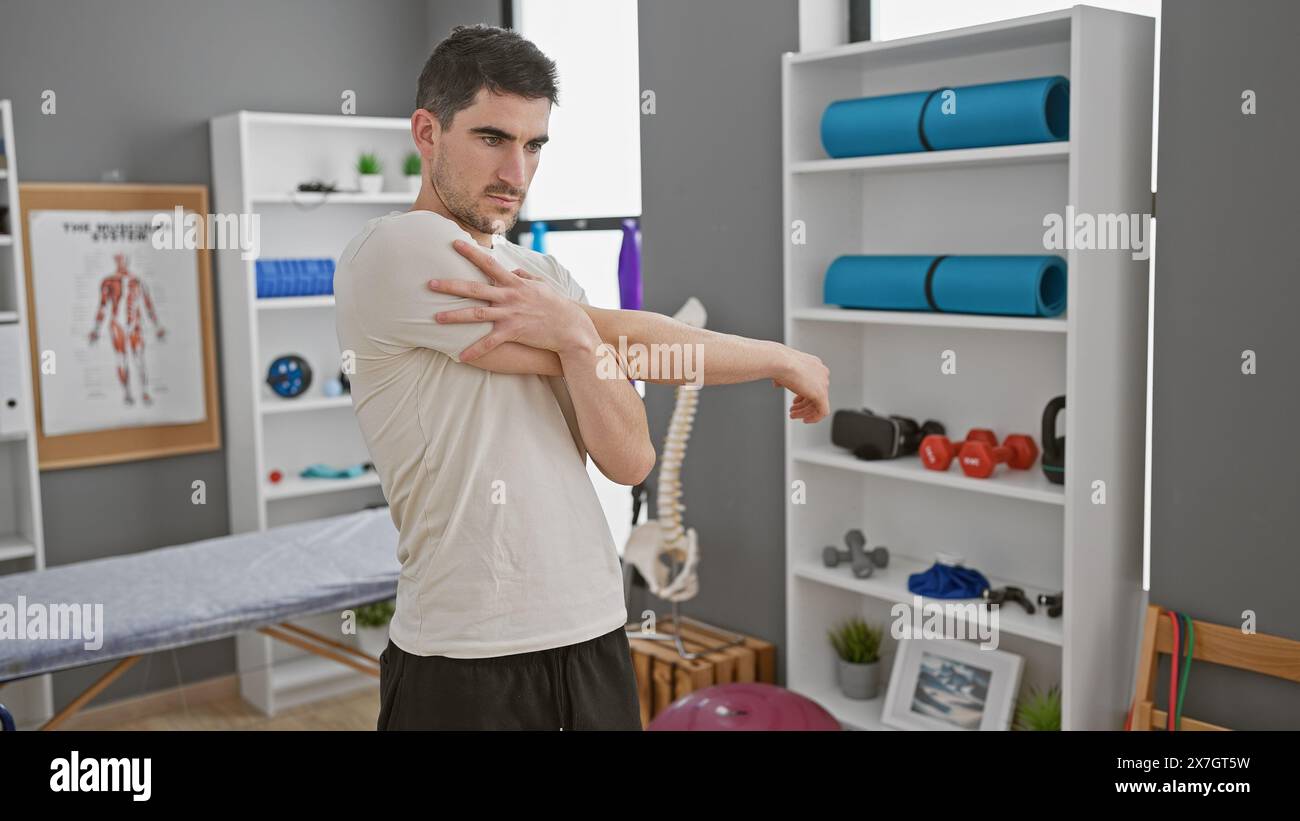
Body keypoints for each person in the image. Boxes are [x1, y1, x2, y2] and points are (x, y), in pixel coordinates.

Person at [334, 24, 829, 731]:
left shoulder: (546, 277)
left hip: (593, 631)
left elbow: (628, 459)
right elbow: (633, 343)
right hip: (467, 652)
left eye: (534, 144)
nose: (517, 172)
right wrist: (778, 359)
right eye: (491, 138)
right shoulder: (394, 251)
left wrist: (572, 334)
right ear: (427, 131)